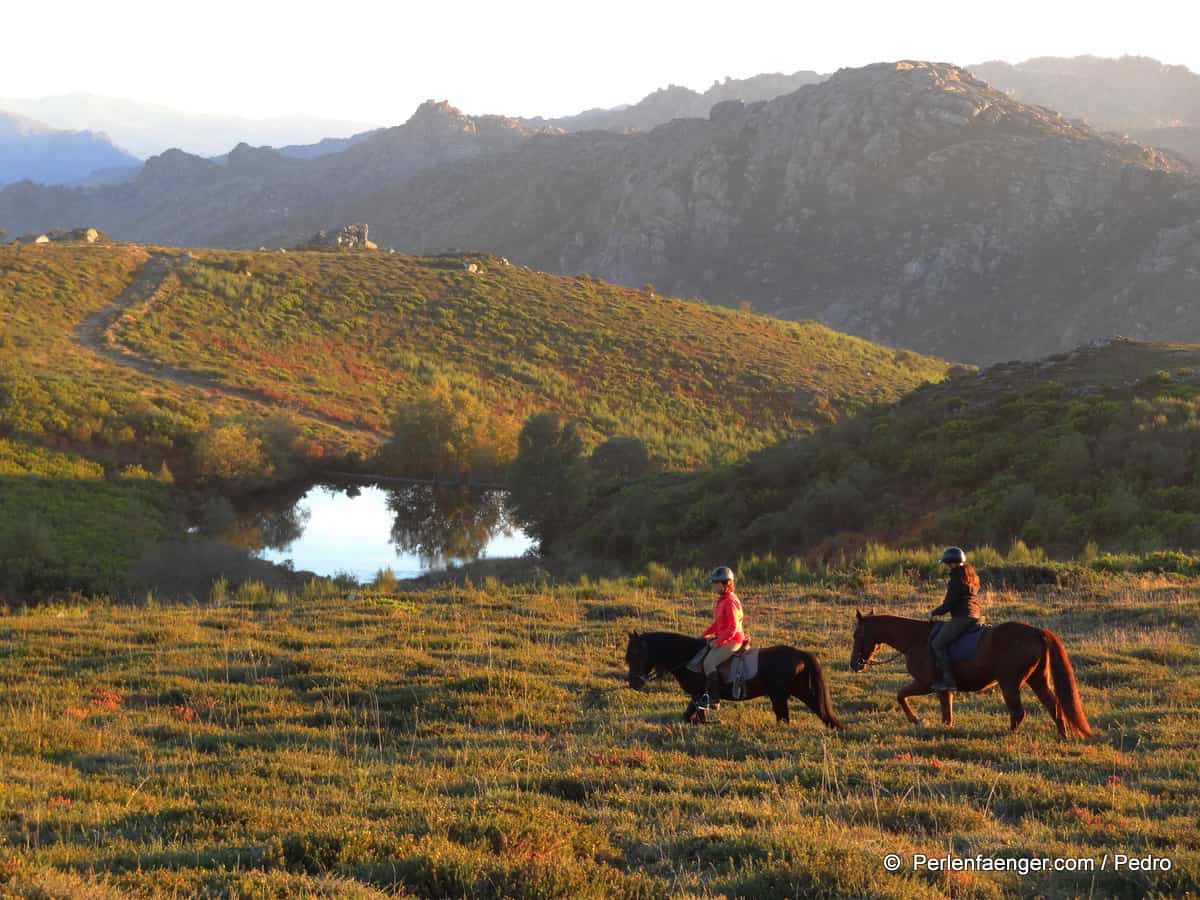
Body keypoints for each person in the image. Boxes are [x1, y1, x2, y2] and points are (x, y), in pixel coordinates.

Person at [928, 546, 981, 691]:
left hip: (962, 618)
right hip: (975, 615)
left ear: (952, 563)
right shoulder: (971, 576)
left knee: (937, 644)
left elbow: (948, 604)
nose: (945, 567)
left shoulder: (956, 580)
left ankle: (949, 681)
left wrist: (933, 613)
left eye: (946, 564)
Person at [697, 566, 745, 711]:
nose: (713, 586)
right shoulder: (722, 600)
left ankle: (714, 700)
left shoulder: (729, 602)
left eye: (716, 583)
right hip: (726, 638)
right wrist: (704, 635)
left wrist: (718, 642)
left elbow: (733, 628)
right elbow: (717, 624)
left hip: (733, 640)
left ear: (726, 584)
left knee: (708, 663)